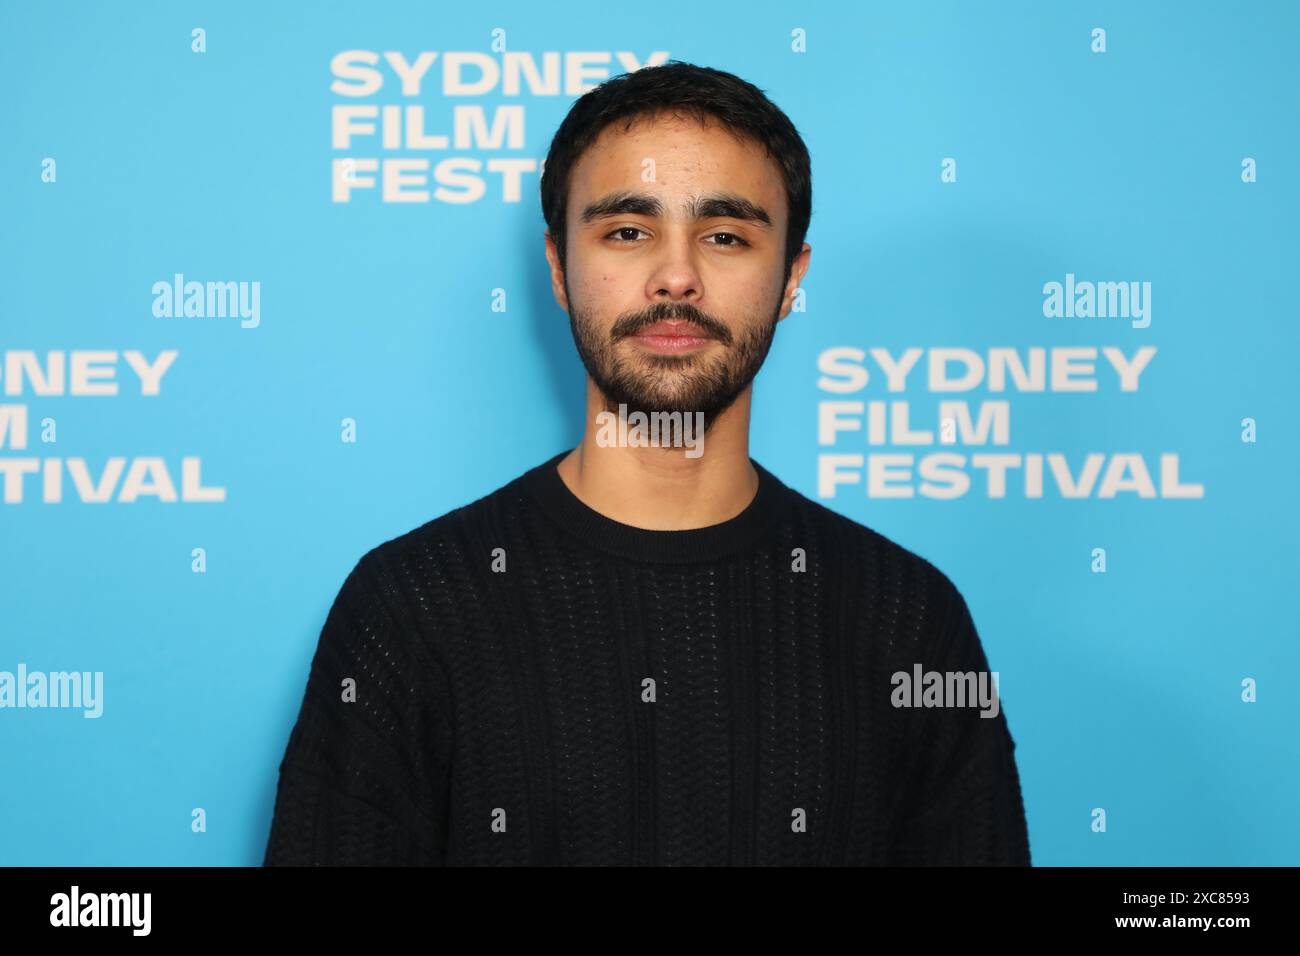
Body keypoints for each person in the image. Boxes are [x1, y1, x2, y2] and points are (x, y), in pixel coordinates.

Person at [263, 60, 1030, 866]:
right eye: (628, 232)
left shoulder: (910, 620)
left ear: (791, 279)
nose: (677, 277)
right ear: (558, 269)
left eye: (725, 236)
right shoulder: (409, 608)